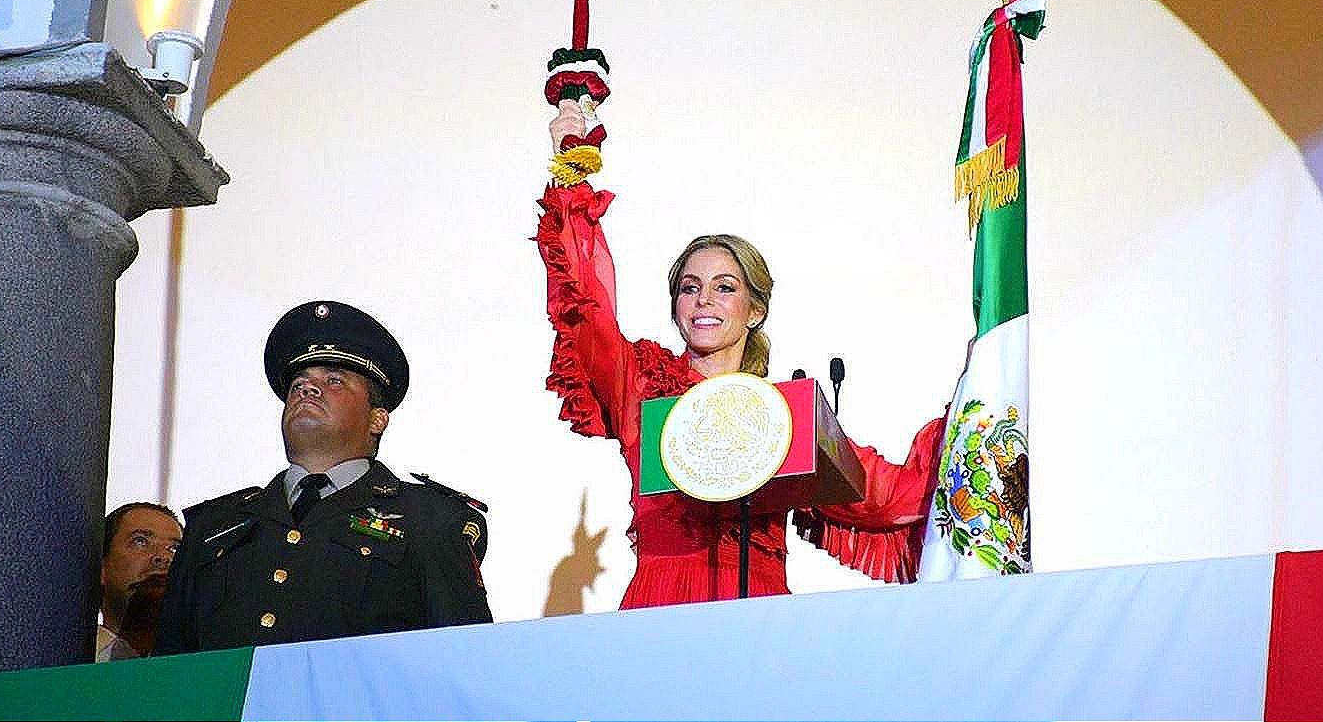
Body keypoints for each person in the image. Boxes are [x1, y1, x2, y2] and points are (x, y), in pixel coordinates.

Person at [536, 104, 945, 609]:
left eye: (724, 287)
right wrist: (572, 170)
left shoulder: (785, 416)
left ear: (754, 310)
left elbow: (884, 497)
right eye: (690, 288)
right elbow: (588, 307)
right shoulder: (643, 385)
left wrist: (979, 404)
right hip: (660, 608)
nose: (704, 299)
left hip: (760, 614)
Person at [155, 301, 491, 654]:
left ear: (377, 419)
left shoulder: (431, 520)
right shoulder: (214, 525)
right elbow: (168, 672)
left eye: (333, 380)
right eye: (299, 382)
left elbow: (465, 663)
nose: (307, 389)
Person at [98, 502, 182, 661]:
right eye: (140, 541)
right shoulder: (64, 658)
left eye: (175, 549)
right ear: (102, 567)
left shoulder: (206, 666)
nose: (163, 557)